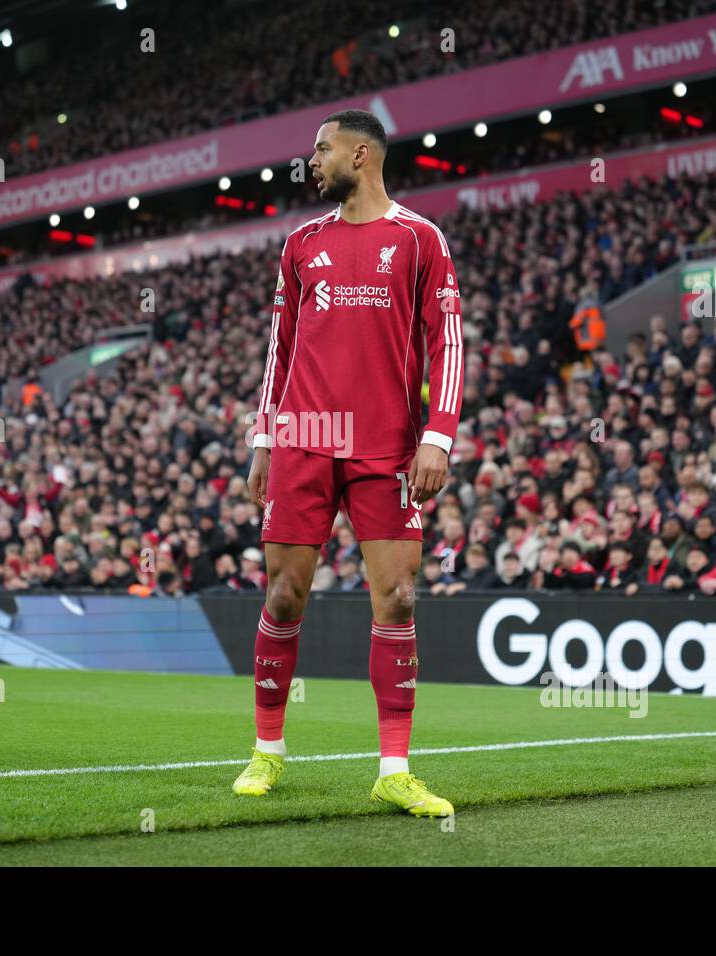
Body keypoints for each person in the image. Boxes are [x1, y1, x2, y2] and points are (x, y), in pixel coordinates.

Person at [233, 109, 460, 817]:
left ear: (360, 156)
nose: (311, 161)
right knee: (282, 597)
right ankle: (267, 751)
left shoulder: (420, 239)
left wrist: (439, 434)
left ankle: (394, 767)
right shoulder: (299, 245)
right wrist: (263, 440)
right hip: (303, 436)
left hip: (387, 443)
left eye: (321, 149)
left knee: (396, 597)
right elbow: (279, 349)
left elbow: (447, 340)